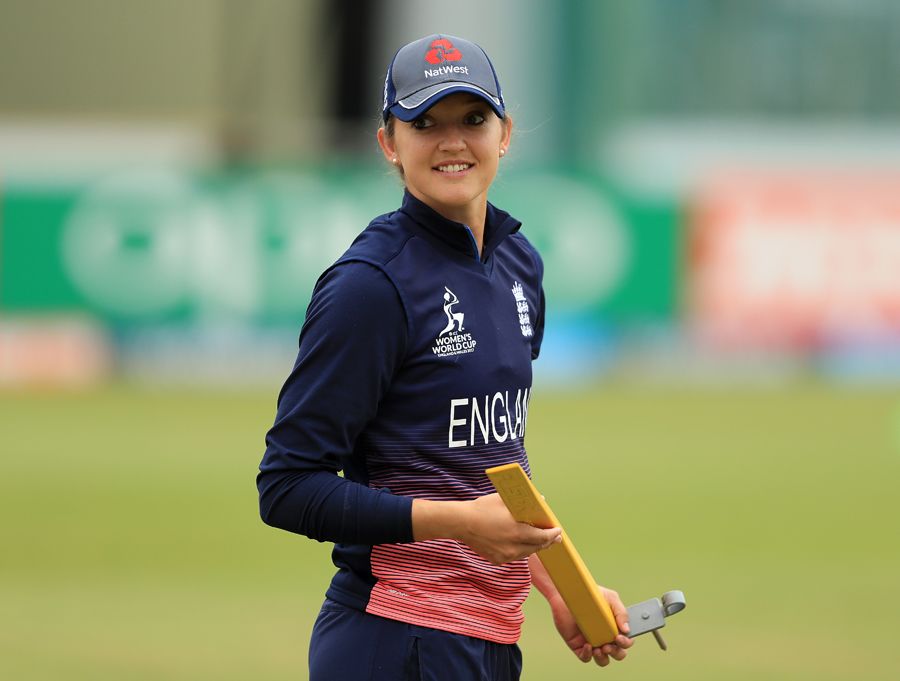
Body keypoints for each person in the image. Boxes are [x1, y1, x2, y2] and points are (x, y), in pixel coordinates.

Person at [257, 33, 633, 680]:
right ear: (389, 145)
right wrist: (459, 524)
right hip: (392, 640)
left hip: (486, 641)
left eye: (473, 119)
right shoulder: (370, 286)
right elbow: (286, 487)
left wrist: (566, 588)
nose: (452, 141)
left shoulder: (518, 263)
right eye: (425, 122)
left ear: (505, 132)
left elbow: (494, 464)